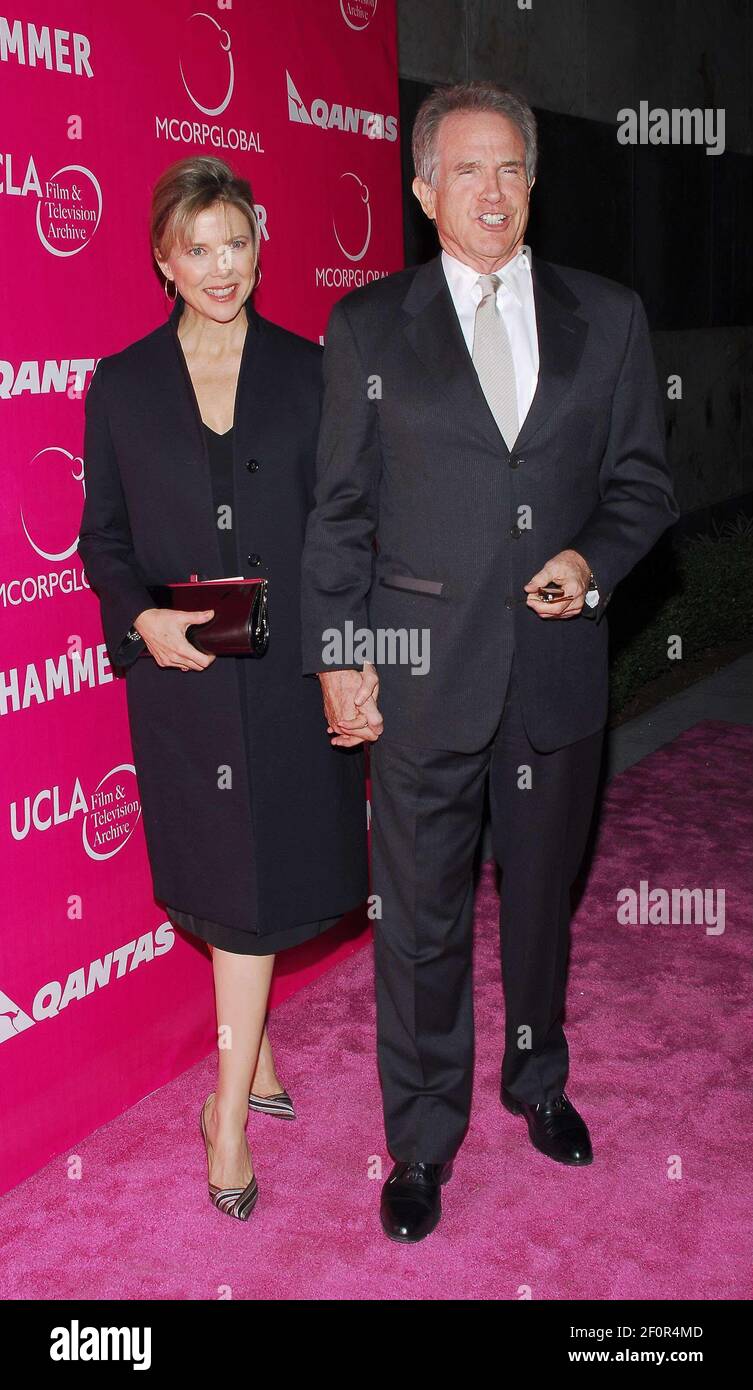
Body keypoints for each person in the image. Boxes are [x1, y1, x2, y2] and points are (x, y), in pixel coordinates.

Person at [301, 82, 679, 1242]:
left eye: (511, 166)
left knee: (543, 905)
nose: (494, 190)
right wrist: (340, 654)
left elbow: (642, 484)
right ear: (423, 192)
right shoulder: (369, 327)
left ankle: (538, 1078)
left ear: (533, 183)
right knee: (419, 919)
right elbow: (340, 514)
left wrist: (593, 560)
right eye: (467, 169)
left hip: (556, 671)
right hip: (418, 673)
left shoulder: (606, 318)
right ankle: (419, 1140)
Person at [78, 156, 367, 1222]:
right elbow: (102, 537)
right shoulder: (122, 382)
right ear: (162, 258)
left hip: (289, 674)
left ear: (260, 244)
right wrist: (140, 617)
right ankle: (230, 1116)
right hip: (184, 682)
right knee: (233, 895)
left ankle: (245, 1080)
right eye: (195, 248)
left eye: (234, 242)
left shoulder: (311, 370)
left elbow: (344, 526)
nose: (219, 266)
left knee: (265, 886)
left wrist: (351, 649)